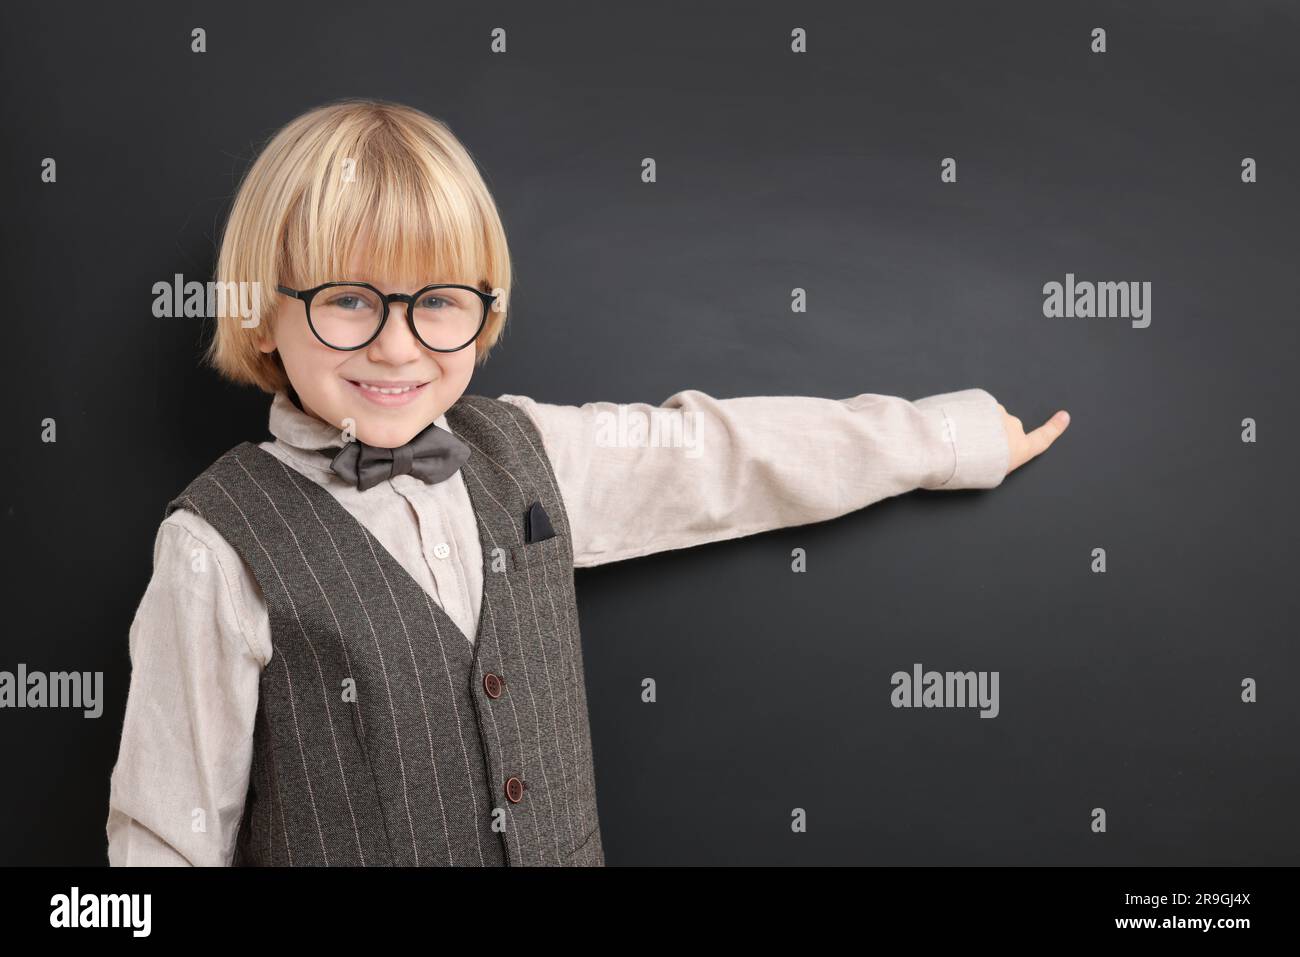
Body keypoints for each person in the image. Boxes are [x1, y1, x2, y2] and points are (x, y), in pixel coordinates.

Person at [106, 97, 1069, 867]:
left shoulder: (529, 449)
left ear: (482, 312)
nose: (396, 344)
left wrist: (946, 438)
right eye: (348, 299)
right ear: (263, 316)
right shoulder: (214, 546)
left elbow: (725, 454)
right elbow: (163, 840)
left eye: (437, 301)